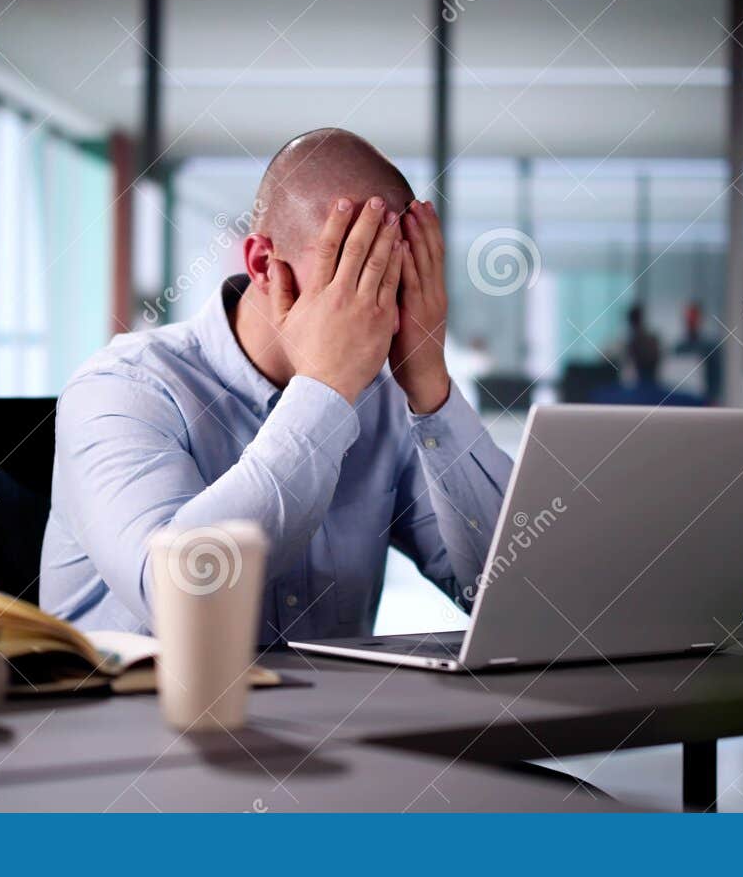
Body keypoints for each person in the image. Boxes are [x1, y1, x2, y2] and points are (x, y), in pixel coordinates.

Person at [40, 128, 513, 645]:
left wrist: (430, 389)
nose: (382, 310)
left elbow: (510, 594)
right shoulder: (122, 388)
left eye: (401, 279)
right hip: (134, 719)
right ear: (263, 265)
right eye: (355, 274)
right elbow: (183, 596)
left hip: (333, 720)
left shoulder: (389, 401)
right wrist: (324, 390)